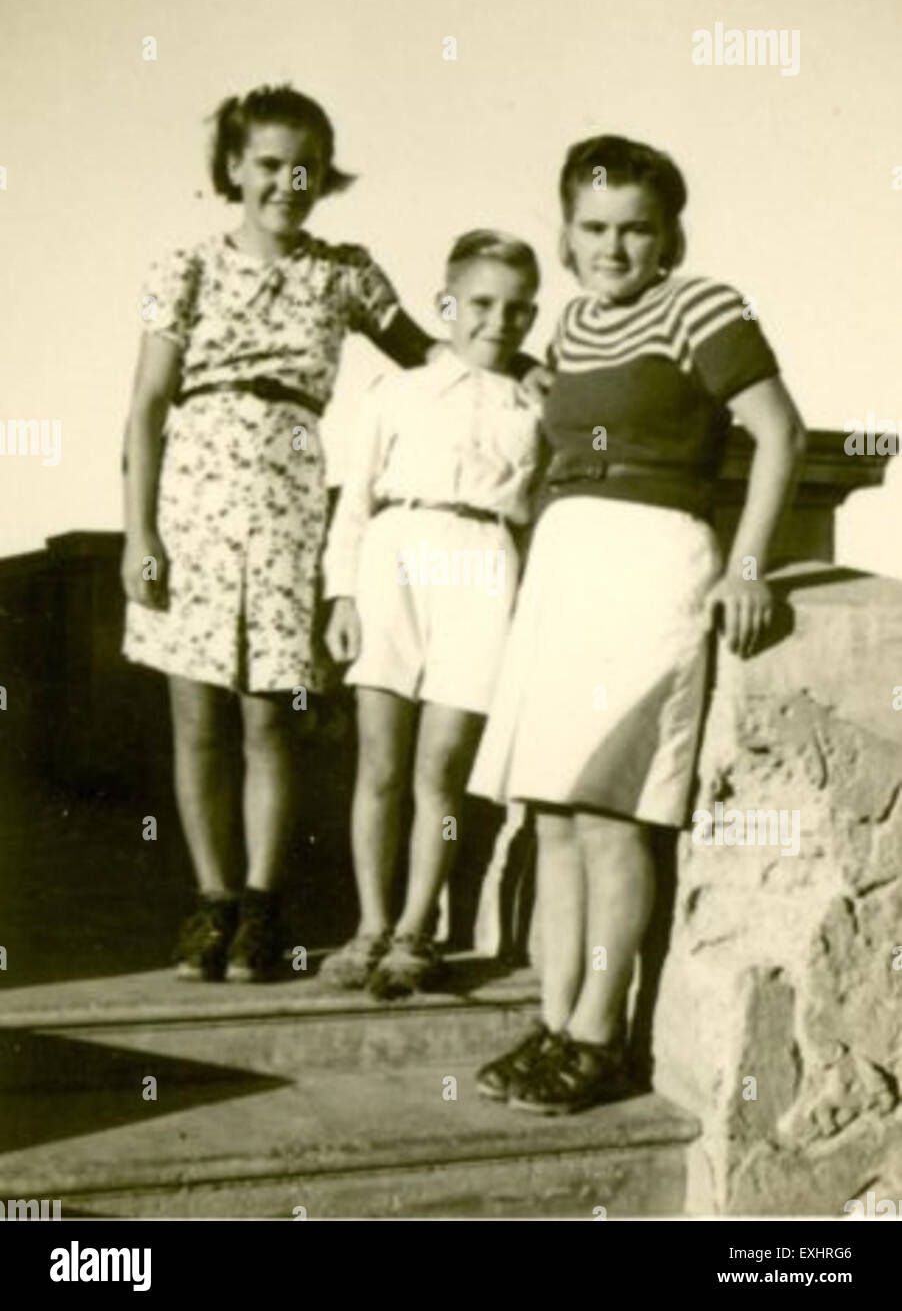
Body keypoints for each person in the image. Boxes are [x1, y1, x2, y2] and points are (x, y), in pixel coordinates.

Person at [469, 135, 806, 1113]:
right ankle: (555, 1020)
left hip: (654, 561)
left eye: (635, 229)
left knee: (611, 814)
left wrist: (746, 567)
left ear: (668, 237)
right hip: (567, 564)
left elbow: (780, 432)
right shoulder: (571, 326)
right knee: (555, 813)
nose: (613, 247)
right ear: (565, 236)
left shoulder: (704, 305)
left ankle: (599, 1035)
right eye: (593, 227)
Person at [121, 84, 441, 983]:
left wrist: (526, 371)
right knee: (196, 717)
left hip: (288, 497)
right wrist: (139, 533)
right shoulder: (183, 268)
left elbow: (429, 357)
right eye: (268, 164)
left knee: (270, 718)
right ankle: (212, 902)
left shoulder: (344, 273)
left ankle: (262, 908)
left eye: (306, 169)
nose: (287, 184)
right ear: (234, 167)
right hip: (193, 501)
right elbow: (146, 406)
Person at [319, 230, 546, 998]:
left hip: (483, 564)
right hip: (395, 558)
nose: (498, 321)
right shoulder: (397, 392)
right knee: (379, 763)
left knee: (442, 768)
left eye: (517, 309)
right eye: (480, 303)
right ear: (447, 305)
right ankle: (370, 924)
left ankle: (417, 929)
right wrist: (343, 595)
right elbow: (354, 502)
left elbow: (538, 512)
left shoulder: (536, 406)